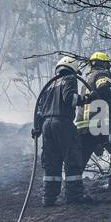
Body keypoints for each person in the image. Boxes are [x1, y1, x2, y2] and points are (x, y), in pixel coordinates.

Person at [33, 56, 90, 206]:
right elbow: (69, 98)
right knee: (72, 158)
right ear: (72, 67)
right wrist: (86, 99)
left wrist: (37, 128)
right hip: (63, 123)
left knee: (51, 162)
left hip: (46, 125)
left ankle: (48, 198)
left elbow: (40, 109)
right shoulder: (70, 79)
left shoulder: (50, 85)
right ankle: (74, 196)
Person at [74, 51, 111, 193]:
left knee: (80, 158)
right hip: (99, 123)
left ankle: (72, 189)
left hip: (83, 125)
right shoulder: (101, 74)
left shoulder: (87, 80)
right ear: (104, 64)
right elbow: (104, 90)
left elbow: (97, 99)